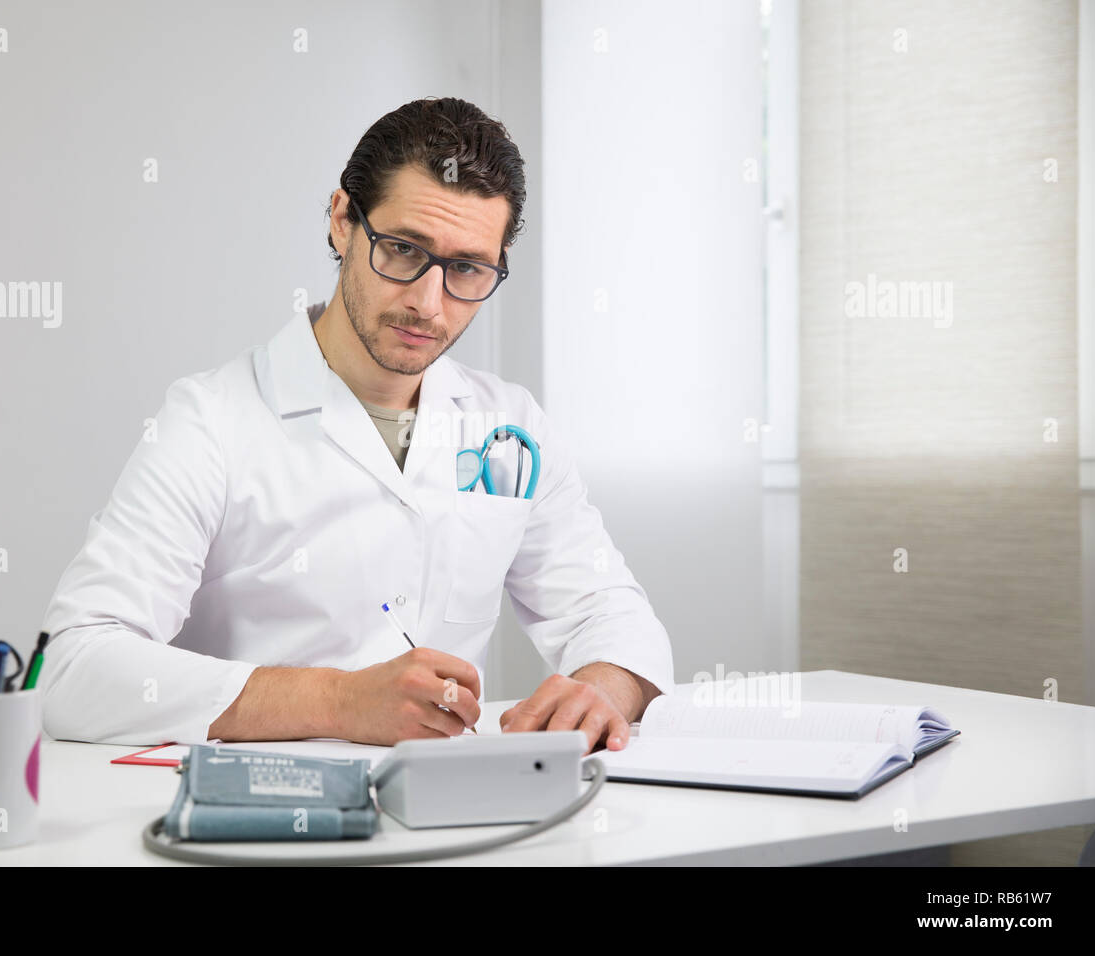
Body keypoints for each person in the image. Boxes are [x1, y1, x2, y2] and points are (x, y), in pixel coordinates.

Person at [40, 96, 673, 755]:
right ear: (343, 221)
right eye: (403, 250)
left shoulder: (508, 427)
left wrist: (601, 688)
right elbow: (74, 669)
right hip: (257, 826)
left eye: (466, 269)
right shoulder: (211, 420)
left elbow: (613, 614)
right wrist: (340, 702)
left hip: (449, 818)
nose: (429, 305)